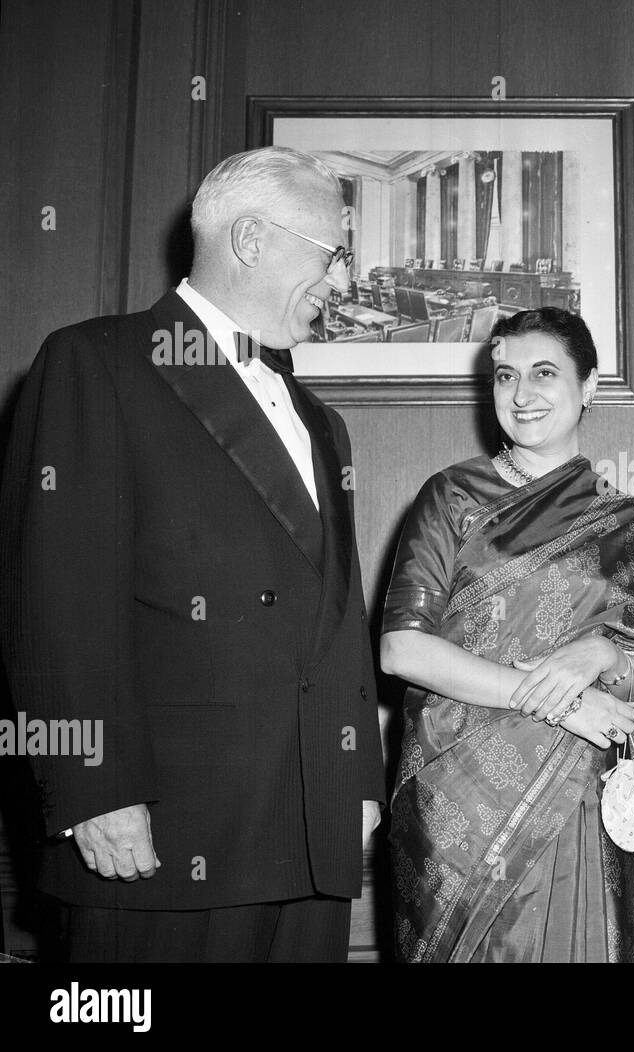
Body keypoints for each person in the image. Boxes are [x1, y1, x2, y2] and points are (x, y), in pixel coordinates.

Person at [0, 146, 386, 962]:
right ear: (252, 239)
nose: (345, 283)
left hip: (311, 838)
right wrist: (93, 790)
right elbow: (52, 600)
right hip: (160, 837)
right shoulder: (96, 363)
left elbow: (336, 614)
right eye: (335, 253)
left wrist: (355, 785)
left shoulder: (322, 421)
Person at [380, 307, 634, 962]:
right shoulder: (451, 498)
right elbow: (402, 648)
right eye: (504, 377)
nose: (521, 395)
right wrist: (555, 696)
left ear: (589, 385)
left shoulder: (629, 523)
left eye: (544, 373)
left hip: (577, 801)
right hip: (458, 806)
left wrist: (604, 649)